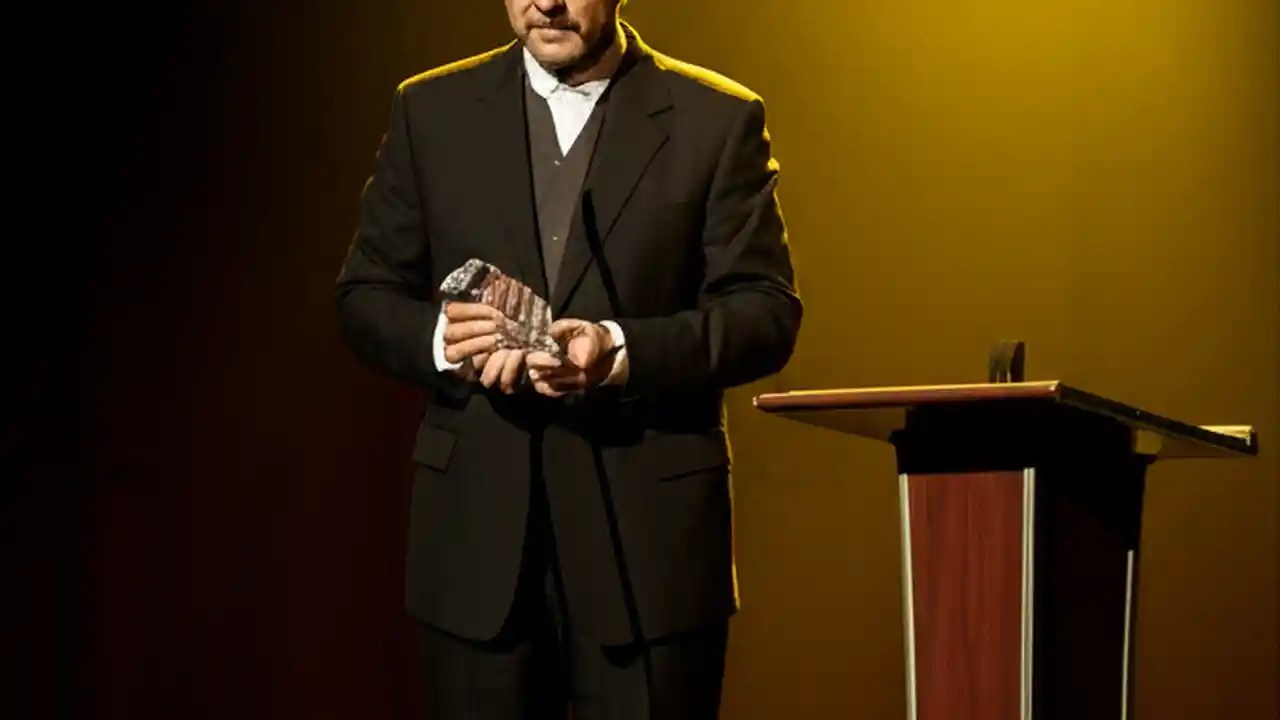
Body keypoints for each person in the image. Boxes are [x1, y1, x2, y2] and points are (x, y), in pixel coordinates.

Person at [335, 0, 801, 716]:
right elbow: (365, 295)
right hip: (474, 556)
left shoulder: (717, 118)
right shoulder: (429, 110)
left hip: (649, 560)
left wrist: (618, 351)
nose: (546, 2)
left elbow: (766, 313)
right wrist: (444, 343)